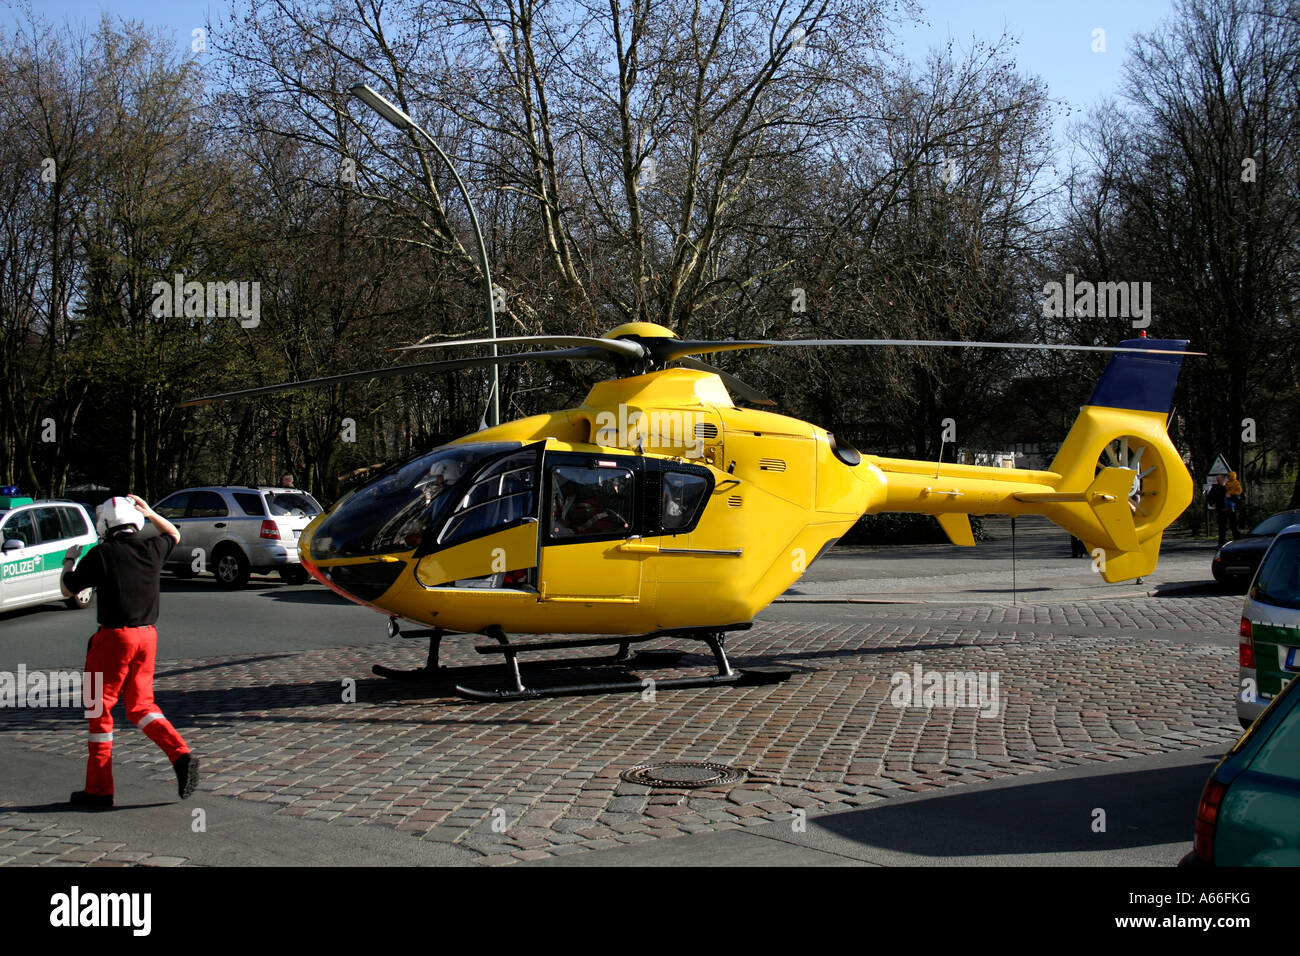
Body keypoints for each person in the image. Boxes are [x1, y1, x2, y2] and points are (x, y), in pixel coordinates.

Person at [60, 495, 198, 809]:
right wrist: (151, 512)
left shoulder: (102, 553)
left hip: (113, 638)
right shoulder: (152, 548)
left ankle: (98, 789)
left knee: (99, 709)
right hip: (147, 636)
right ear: (136, 522)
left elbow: (68, 589)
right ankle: (180, 754)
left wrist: (69, 561)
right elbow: (173, 534)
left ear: (105, 525)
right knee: (141, 706)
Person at [1207, 474, 1231, 548]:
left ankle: (1235, 543)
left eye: (1220, 479)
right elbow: (1210, 497)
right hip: (1221, 509)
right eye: (1218, 479)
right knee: (1222, 527)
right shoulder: (1215, 488)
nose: (1219, 480)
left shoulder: (1229, 486)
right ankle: (1221, 543)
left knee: (1233, 527)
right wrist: (1212, 503)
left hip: (1230, 509)